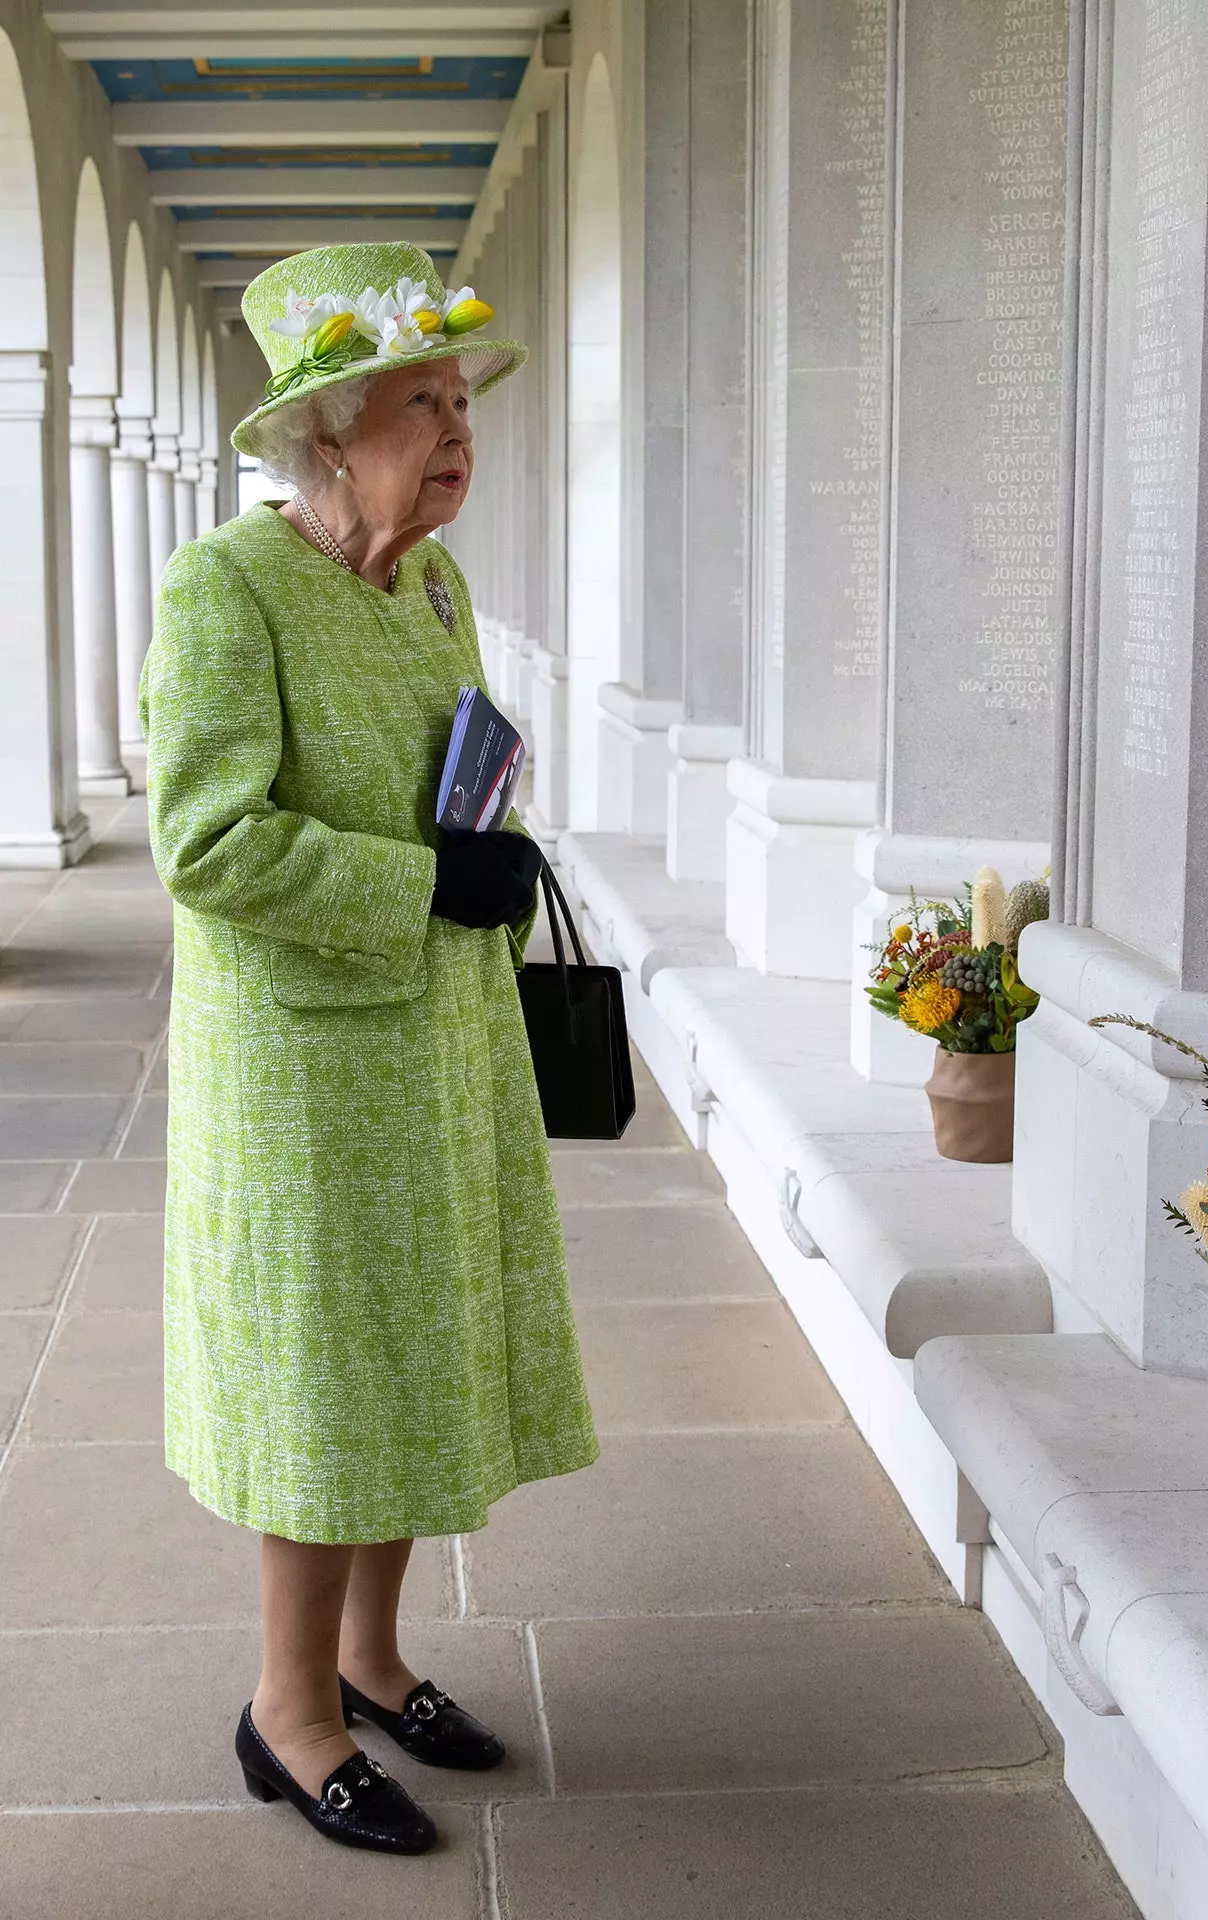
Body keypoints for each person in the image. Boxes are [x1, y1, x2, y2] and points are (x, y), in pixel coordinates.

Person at [138, 244, 599, 1857]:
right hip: (312, 1075)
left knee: (415, 1355)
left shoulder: (434, 582)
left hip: (441, 1043)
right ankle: (288, 1711)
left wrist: (490, 846)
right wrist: (424, 883)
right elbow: (204, 843)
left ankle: (374, 1660)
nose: (461, 429)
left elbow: (450, 768)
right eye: (425, 401)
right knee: (324, 1388)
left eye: (465, 400)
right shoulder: (226, 590)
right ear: (329, 434)